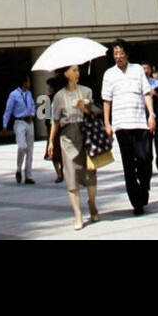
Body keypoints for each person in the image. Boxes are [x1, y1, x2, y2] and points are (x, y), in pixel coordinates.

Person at [102, 39, 155, 215]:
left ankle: (144, 186)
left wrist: (151, 114)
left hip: (140, 122)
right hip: (121, 125)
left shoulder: (138, 69)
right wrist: (107, 123)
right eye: (115, 54)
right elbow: (106, 100)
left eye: (120, 53)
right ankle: (136, 203)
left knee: (145, 159)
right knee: (128, 166)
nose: (118, 57)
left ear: (127, 54)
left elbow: (146, 93)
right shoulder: (109, 74)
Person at [46, 63, 99, 231]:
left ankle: (91, 203)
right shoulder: (59, 97)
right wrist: (50, 142)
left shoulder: (86, 91)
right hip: (67, 137)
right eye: (74, 70)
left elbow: (95, 112)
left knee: (90, 174)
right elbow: (55, 121)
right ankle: (77, 214)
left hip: (86, 134)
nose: (77, 73)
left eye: (78, 70)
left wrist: (85, 108)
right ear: (67, 73)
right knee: (71, 175)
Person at [2, 74, 36, 184]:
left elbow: (32, 105)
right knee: (22, 146)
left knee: (30, 149)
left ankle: (28, 175)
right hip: (20, 121)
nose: (29, 83)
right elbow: (8, 110)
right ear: (24, 82)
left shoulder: (29, 94)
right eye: (28, 81)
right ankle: (18, 168)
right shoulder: (14, 95)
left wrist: (32, 113)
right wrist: (5, 125)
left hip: (29, 122)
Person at [143, 63, 158, 176]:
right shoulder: (138, 83)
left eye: (147, 68)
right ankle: (147, 168)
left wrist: (155, 94)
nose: (145, 71)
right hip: (144, 114)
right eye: (143, 68)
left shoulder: (156, 82)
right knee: (146, 144)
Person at [44, 78, 63, 182]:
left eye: (50, 86)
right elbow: (44, 115)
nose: (48, 89)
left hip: (60, 127)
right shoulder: (47, 99)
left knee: (62, 151)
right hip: (50, 127)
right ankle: (59, 174)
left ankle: (62, 170)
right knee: (53, 152)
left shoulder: (61, 98)